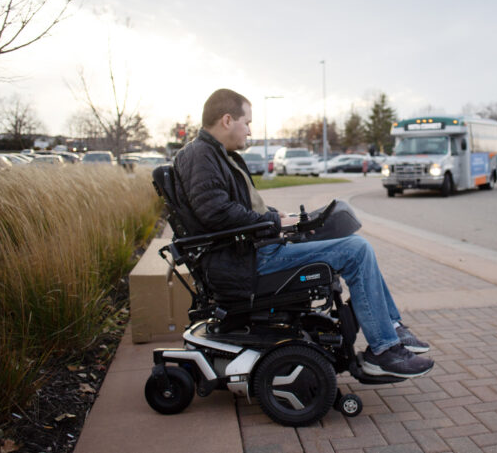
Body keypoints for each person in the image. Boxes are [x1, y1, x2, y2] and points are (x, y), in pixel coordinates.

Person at [173, 89, 433, 378]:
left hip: (250, 251)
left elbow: (232, 206)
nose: (249, 130)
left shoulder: (213, 154)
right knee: (356, 250)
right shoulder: (202, 156)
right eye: (246, 122)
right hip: (247, 262)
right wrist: (272, 222)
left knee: (347, 242)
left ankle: (392, 329)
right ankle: (384, 349)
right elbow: (216, 213)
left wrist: (277, 216)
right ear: (226, 120)